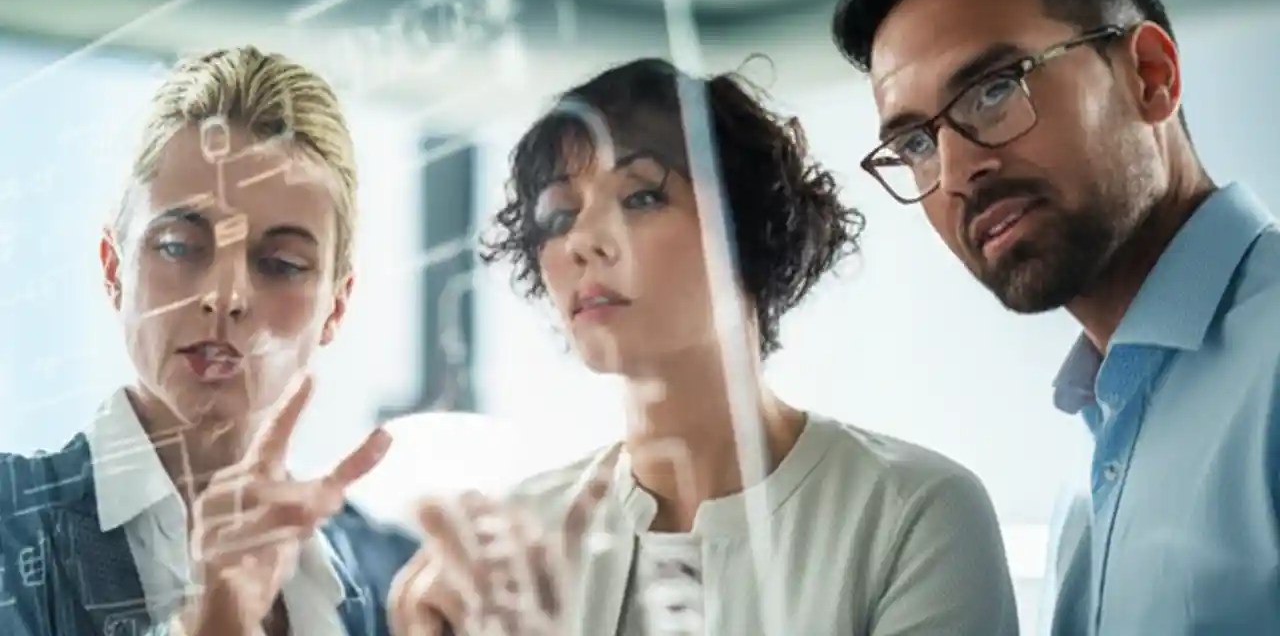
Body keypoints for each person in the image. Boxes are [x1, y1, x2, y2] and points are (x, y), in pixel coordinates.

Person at [387, 57, 1019, 635]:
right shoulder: (515, 546)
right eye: (558, 217)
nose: (583, 243)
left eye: (640, 197)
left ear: (743, 226)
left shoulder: (914, 514)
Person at [830, 0, 1280, 633]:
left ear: (1150, 77)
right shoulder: (1094, 467)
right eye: (916, 141)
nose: (955, 174)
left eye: (993, 90)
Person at [0, 46, 417, 635]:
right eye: (177, 246)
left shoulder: (393, 580)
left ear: (337, 306)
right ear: (113, 267)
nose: (226, 296)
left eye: (281, 262)